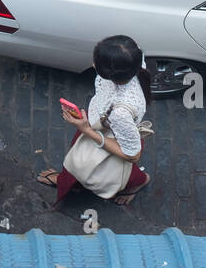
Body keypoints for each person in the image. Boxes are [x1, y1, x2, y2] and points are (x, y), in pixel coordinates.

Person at [36, 36, 152, 208]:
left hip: (105, 132)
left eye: (96, 62)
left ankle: (138, 182)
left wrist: (86, 130)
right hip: (101, 124)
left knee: (83, 163)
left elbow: (132, 154)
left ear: (111, 73)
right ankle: (66, 179)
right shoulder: (133, 57)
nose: (93, 64)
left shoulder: (120, 113)